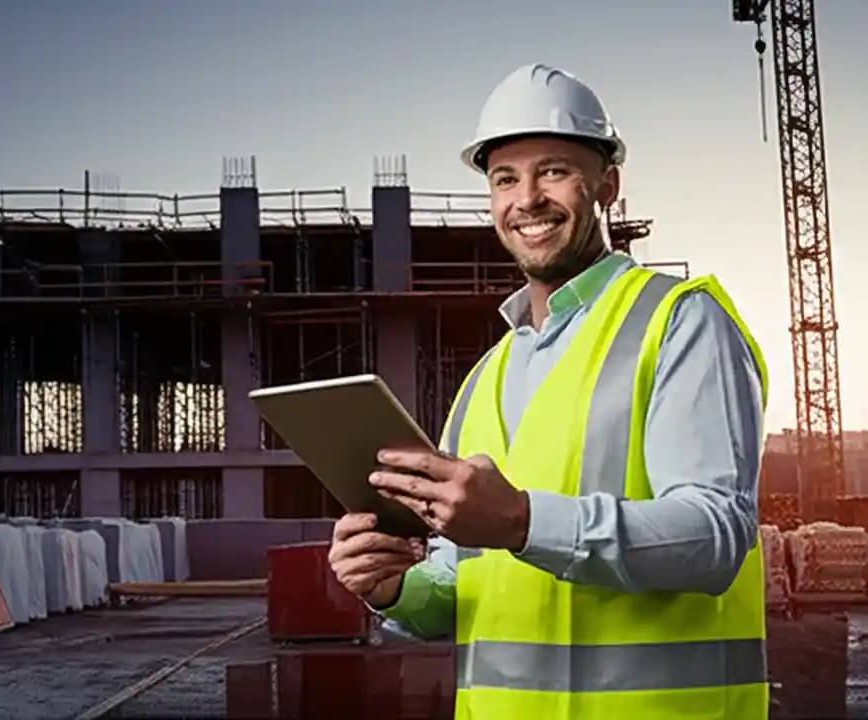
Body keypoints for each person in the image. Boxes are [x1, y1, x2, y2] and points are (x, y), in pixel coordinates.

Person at [328, 62, 770, 719]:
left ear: (608, 186)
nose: (527, 199)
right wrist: (393, 589)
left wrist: (521, 521)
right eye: (505, 179)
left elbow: (714, 536)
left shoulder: (678, 321)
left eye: (554, 171)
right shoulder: (485, 378)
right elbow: (460, 581)